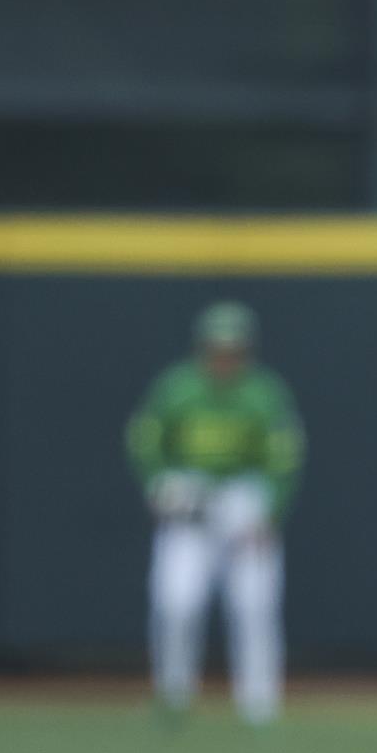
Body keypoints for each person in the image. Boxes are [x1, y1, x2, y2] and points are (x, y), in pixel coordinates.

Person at [125, 300, 305, 726]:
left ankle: (259, 704)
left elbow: (285, 456)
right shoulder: (177, 388)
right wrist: (157, 485)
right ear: (202, 348)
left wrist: (270, 510)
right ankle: (173, 695)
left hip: (243, 501)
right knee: (176, 602)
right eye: (217, 348)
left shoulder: (264, 393)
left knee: (254, 604)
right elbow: (144, 439)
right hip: (190, 502)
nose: (224, 357)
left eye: (233, 349)